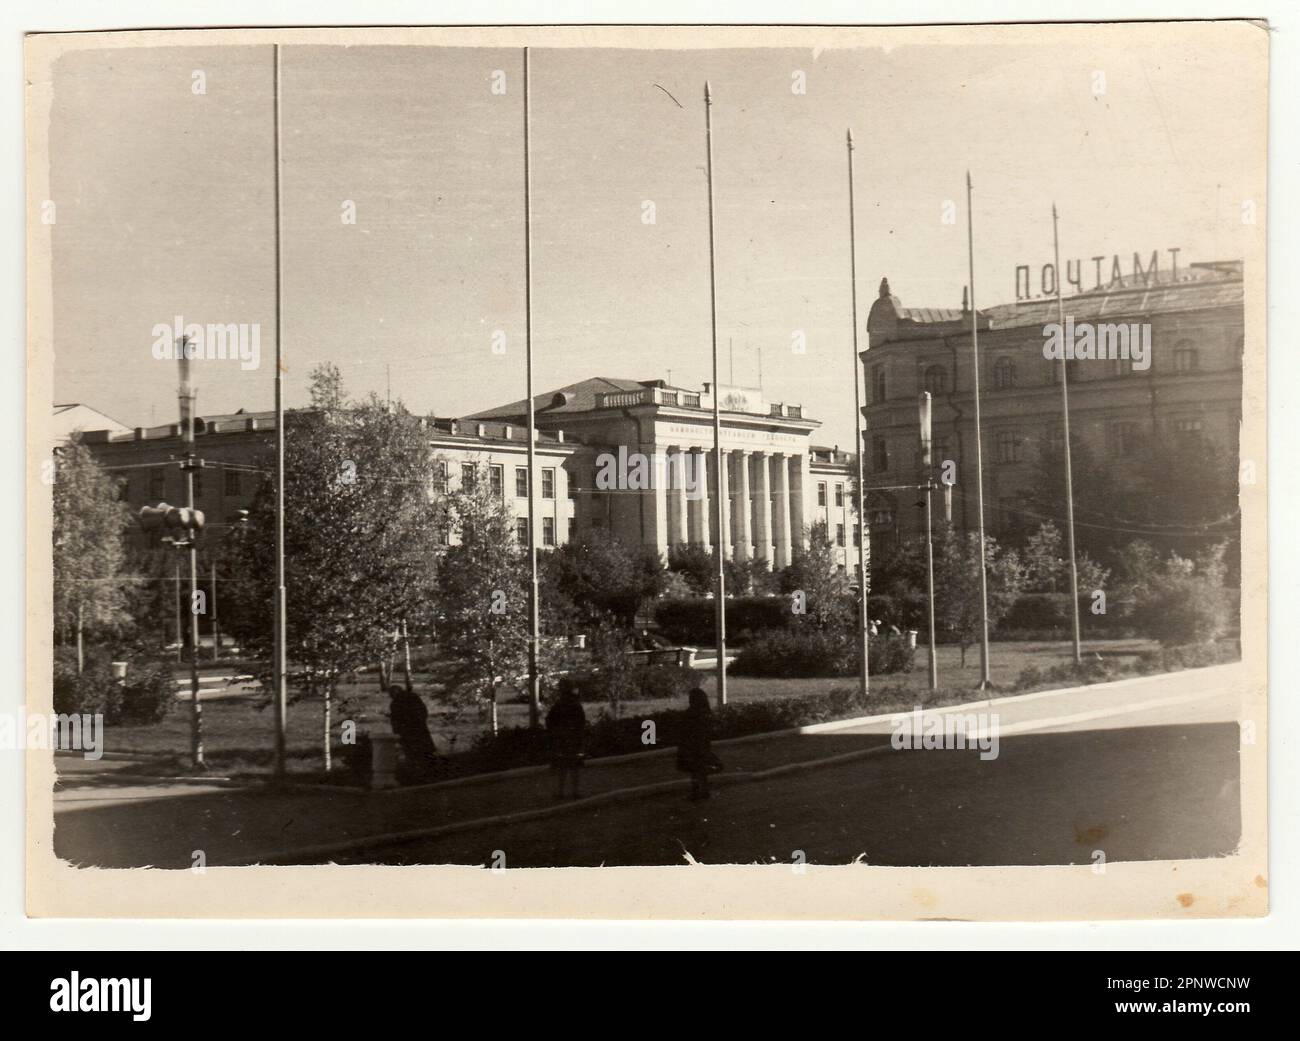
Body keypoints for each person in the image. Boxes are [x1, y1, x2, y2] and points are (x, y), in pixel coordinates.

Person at [387, 684, 439, 783]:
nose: (390, 696)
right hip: (419, 730)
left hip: (408, 734)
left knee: (413, 755)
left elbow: (396, 721)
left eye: (391, 694)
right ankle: (431, 774)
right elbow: (423, 712)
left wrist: (398, 734)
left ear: (394, 693)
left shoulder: (396, 703)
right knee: (426, 753)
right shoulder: (413, 697)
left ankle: (416, 777)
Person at [546, 676, 587, 800]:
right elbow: (581, 722)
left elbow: (549, 720)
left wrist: (554, 733)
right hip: (573, 738)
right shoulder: (575, 704)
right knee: (573, 766)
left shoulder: (559, 704)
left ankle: (560, 792)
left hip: (561, 738)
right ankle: (575, 792)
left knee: (562, 766)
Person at [677, 686, 720, 802]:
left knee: (695, 771)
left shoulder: (690, 713)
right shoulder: (706, 713)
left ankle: (696, 793)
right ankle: (704, 791)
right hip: (703, 745)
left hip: (692, 746)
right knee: (702, 770)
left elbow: (684, 729)